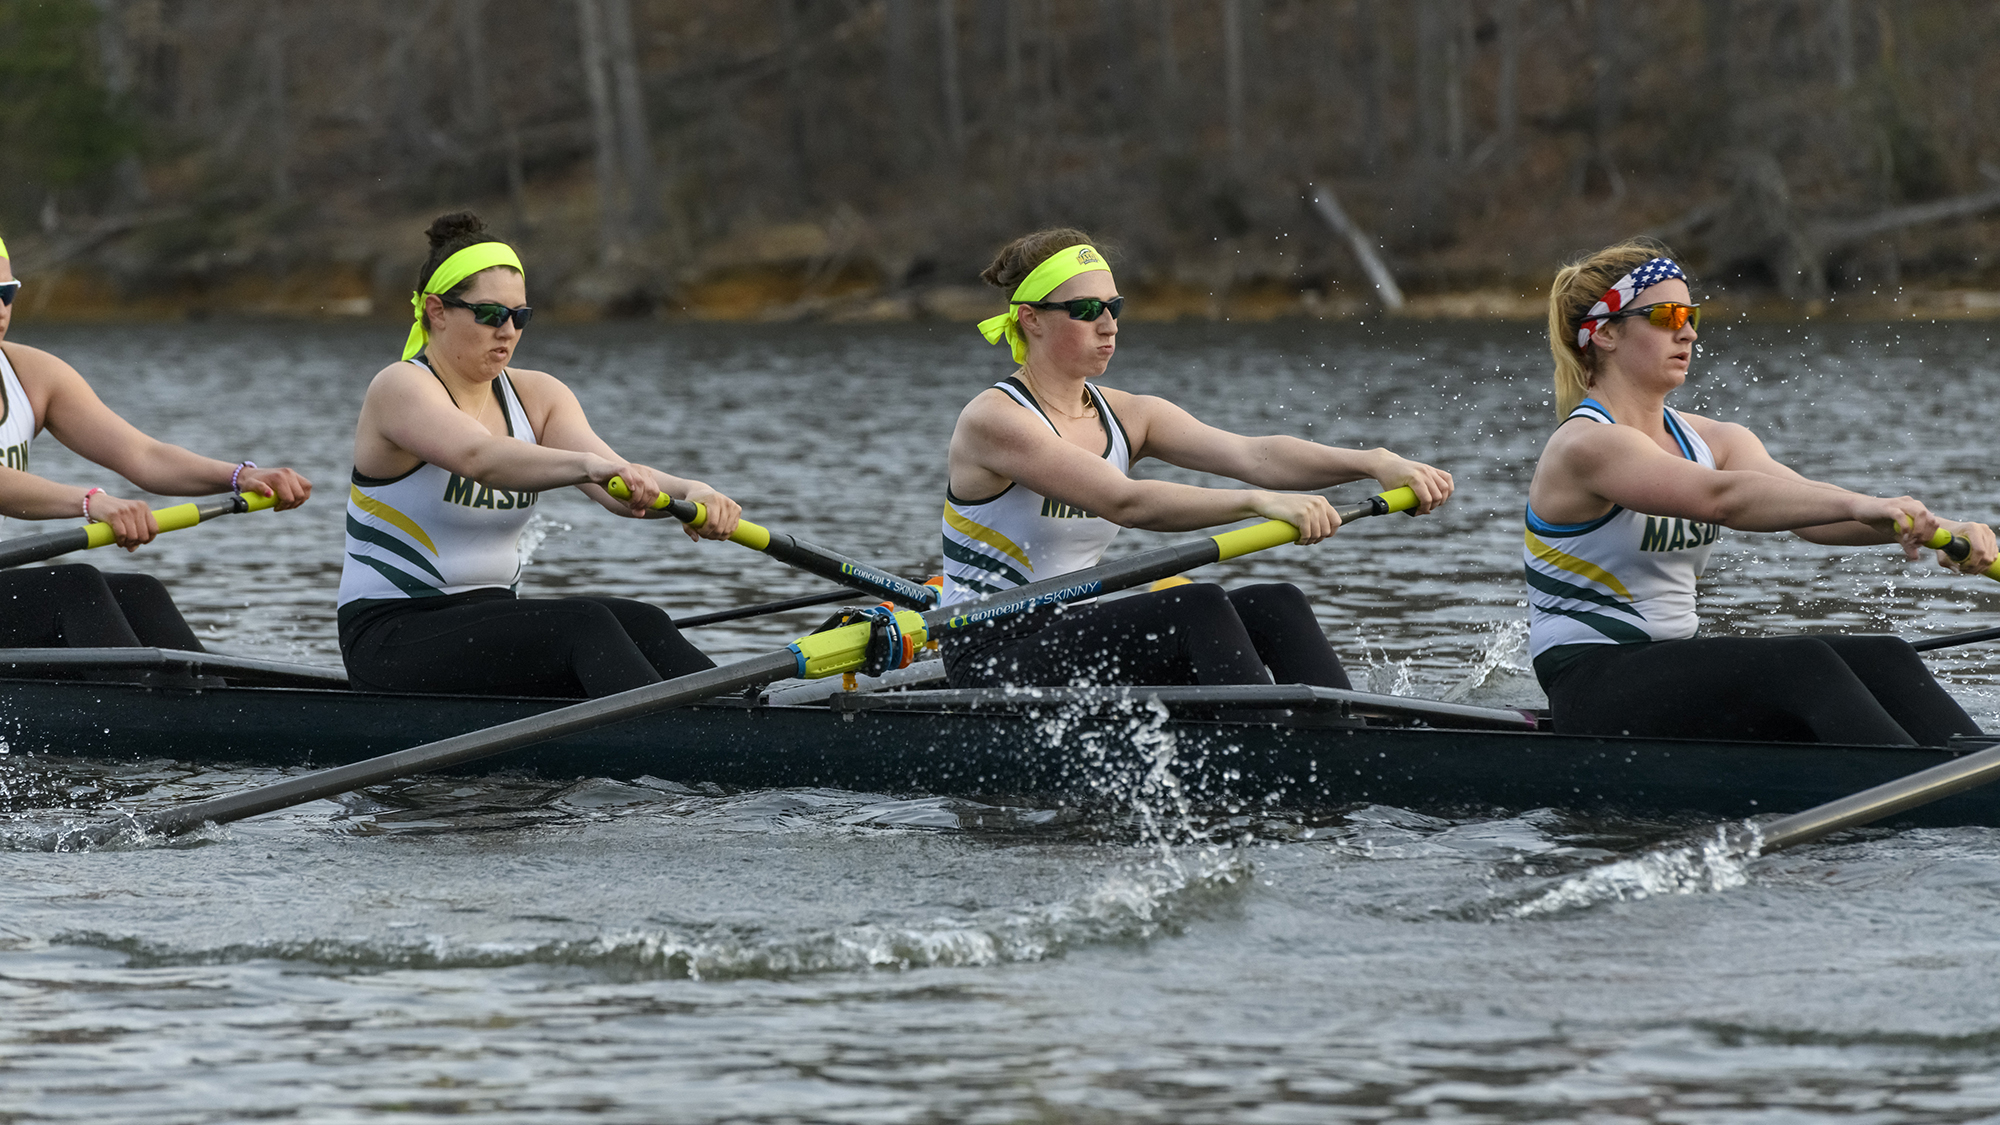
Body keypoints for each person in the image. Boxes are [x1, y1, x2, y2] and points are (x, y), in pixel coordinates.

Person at [1526, 238, 1996, 745]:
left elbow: (1809, 509)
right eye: (1664, 316)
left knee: (1886, 654)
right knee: (1803, 664)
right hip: (1592, 687)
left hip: (1670, 672)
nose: (1686, 333)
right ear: (1605, 334)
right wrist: (1862, 504)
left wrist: (1946, 531)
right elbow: (1722, 499)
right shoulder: (1586, 445)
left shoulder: (1716, 439)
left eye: (1691, 316)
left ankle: (1971, 777)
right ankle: (1924, 792)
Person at [938, 229, 1454, 691]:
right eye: (1088, 310)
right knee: (1196, 605)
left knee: (1277, 604)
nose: (1109, 325)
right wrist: (1260, 504)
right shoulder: (996, 421)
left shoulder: (1129, 414)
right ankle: (1269, 749)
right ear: (1032, 320)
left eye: (1114, 307)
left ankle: (1350, 737)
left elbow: (1256, 455)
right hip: (990, 653)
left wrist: (1374, 462)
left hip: (1073, 637)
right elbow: (1128, 502)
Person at [338, 212, 744, 698]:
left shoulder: (539, 395)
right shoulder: (401, 387)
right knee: (583, 624)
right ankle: (684, 748)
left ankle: (741, 725)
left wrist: (694, 492)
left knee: (643, 621)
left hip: (487, 625)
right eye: (490, 314)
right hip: (391, 636)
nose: (507, 331)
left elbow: (618, 487)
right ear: (436, 311)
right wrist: (585, 467)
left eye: (520, 316)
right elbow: (480, 457)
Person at [0, 234, 312, 651]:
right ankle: (141, 710)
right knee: (75, 587)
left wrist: (240, 476)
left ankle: (212, 705)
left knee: (141, 593)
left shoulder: (32, 374)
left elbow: (142, 455)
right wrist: (92, 502)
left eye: (6, 293)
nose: (0, 309)